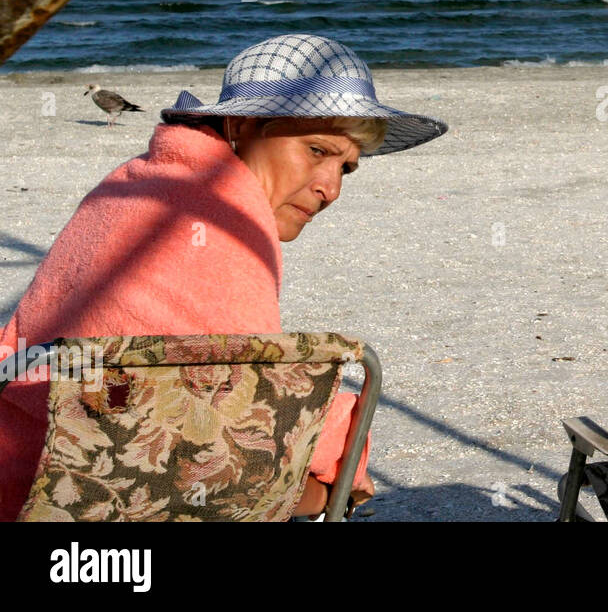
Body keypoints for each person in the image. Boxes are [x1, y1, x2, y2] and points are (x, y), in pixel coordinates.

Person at [0, 34, 448, 520]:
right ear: (242, 124)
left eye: (347, 168)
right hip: (100, 495)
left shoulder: (131, 185)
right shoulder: (225, 227)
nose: (331, 188)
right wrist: (343, 473)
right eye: (317, 150)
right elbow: (254, 428)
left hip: (22, 468)